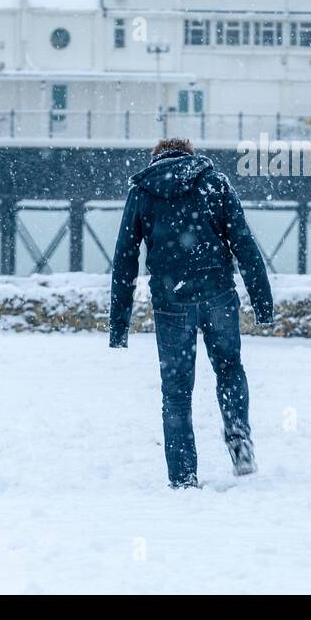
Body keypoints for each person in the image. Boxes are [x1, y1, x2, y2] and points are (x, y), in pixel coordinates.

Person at [109, 138, 274, 489]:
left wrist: (118, 325)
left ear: (157, 157)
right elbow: (244, 242)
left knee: (176, 391)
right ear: (190, 154)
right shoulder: (215, 182)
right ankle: (239, 439)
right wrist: (262, 302)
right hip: (218, 294)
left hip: (171, 302)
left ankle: (183, 477)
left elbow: (125, 258)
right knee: (229, 369)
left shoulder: (143, 190)